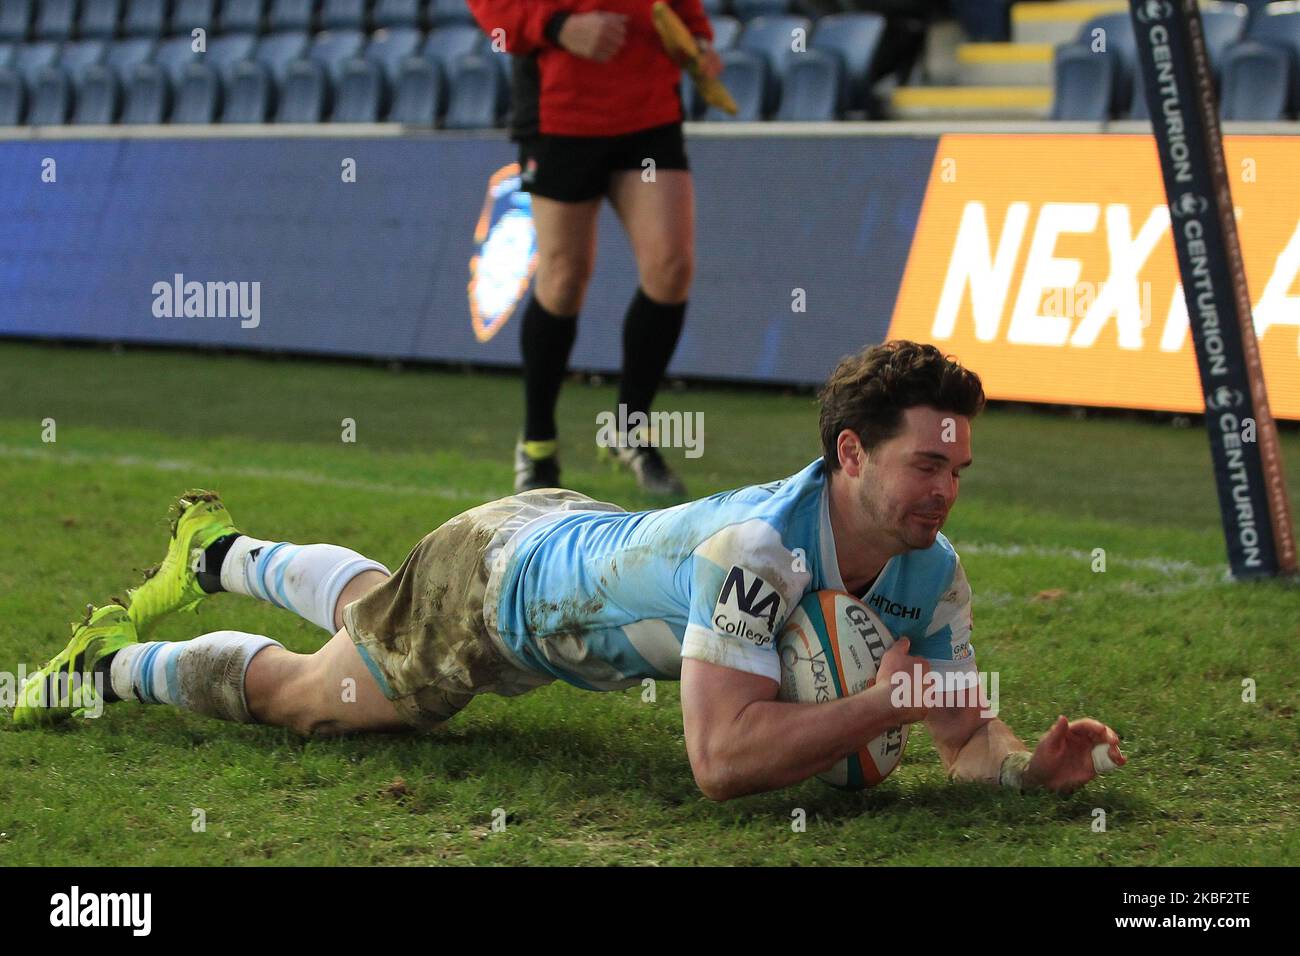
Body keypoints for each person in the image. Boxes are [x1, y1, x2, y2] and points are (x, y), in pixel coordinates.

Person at [13, 341, 1125, 800]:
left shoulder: (932, 572)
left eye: (958, 468)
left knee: (370, 606)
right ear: (849, 453)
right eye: (926, 463)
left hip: (555, 531)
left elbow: (961, 736)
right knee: (319, 697)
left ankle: (214, 550)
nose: (945, 489)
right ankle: (114, 662)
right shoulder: (760, 553)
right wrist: (883, 697)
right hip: (497, 594)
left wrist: (1028, 766)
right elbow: (721, 759)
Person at [464, 0, 723, 497]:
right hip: (560, 112)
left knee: (671, 268)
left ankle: (630, 429)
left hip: (648, 107)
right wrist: (558, 26)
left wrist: (699, 38)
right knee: (563, 278)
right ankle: (537, 442)